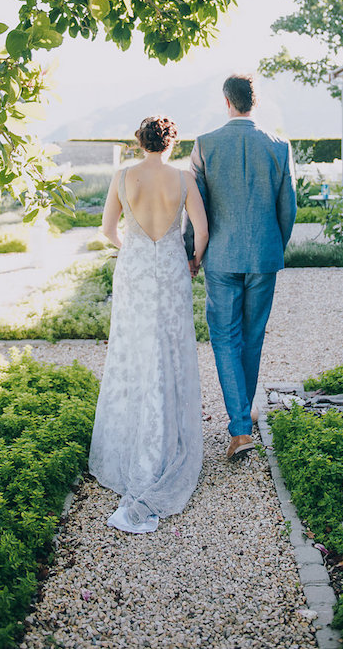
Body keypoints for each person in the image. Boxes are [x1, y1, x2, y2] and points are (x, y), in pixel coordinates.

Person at [89, 116, 209, 534]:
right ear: (171, 143)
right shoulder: (184, 179)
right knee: (170, 349)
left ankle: (133, 441)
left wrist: (133, 247)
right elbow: (201, 231)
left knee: (134, 349)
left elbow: (107, 229)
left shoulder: (123, 177)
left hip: (135, 271)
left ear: (140, 142)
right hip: (172, 269)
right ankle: (166, 442)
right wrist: (193, 260)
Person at [185, 74, 296, 461]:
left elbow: (195, 208)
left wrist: (192, 253)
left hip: (221, 257)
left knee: (225, 338)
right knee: (252, 336)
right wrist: (273, 247)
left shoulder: (205, 144)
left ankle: (240, 427)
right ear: (255, 102)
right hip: (263, 256)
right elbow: (288, 208)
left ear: (226, 101)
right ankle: (242, 420)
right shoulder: (279, 146)